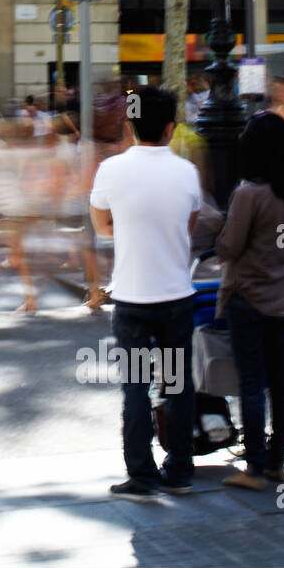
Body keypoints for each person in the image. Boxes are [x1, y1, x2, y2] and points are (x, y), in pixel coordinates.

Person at [89, 87, 203, 500]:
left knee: (135, 387)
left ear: (130, 124)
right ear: (171, 127)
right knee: (177, 385)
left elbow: (102, 226)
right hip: (175, 294)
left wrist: (131, 227)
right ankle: (181, 469)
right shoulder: (187, 173)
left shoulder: (110, 170)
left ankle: (141, 474)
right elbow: (186, 231)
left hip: (133, 297)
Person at [215, 113, 284, 490]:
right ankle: (277, 461)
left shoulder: (248, 193)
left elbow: (231, 246)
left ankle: (254, 465)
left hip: (248, 297)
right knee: (282, 384)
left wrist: (218, 240)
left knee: (252, 383)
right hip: (283, 296)